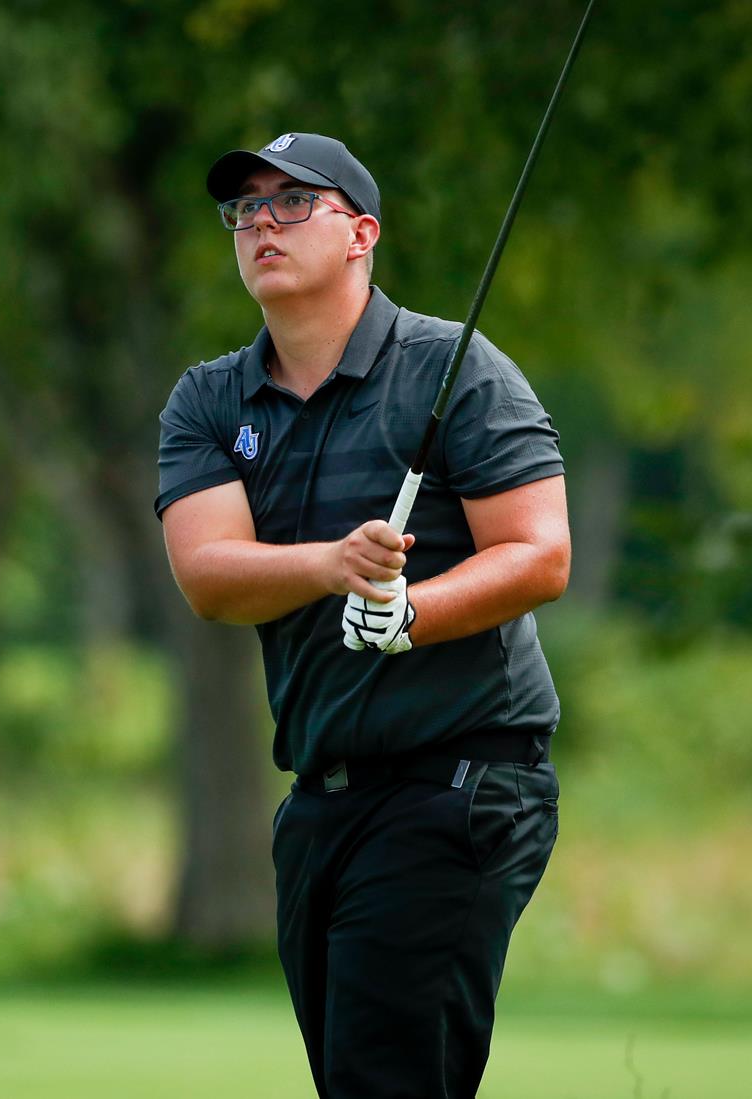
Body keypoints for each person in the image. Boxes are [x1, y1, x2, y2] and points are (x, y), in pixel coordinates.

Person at [153, 131, 570, 1099]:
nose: (262, 223)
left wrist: (412, 611)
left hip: (458, 779)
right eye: (244, 209)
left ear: (361, 233)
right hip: (318, 798)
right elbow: (209, 576)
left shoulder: (452, 368)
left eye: (293, 202)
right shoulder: (210, 399)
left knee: (386, 1081)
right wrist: (333, 566)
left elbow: (539, 553)